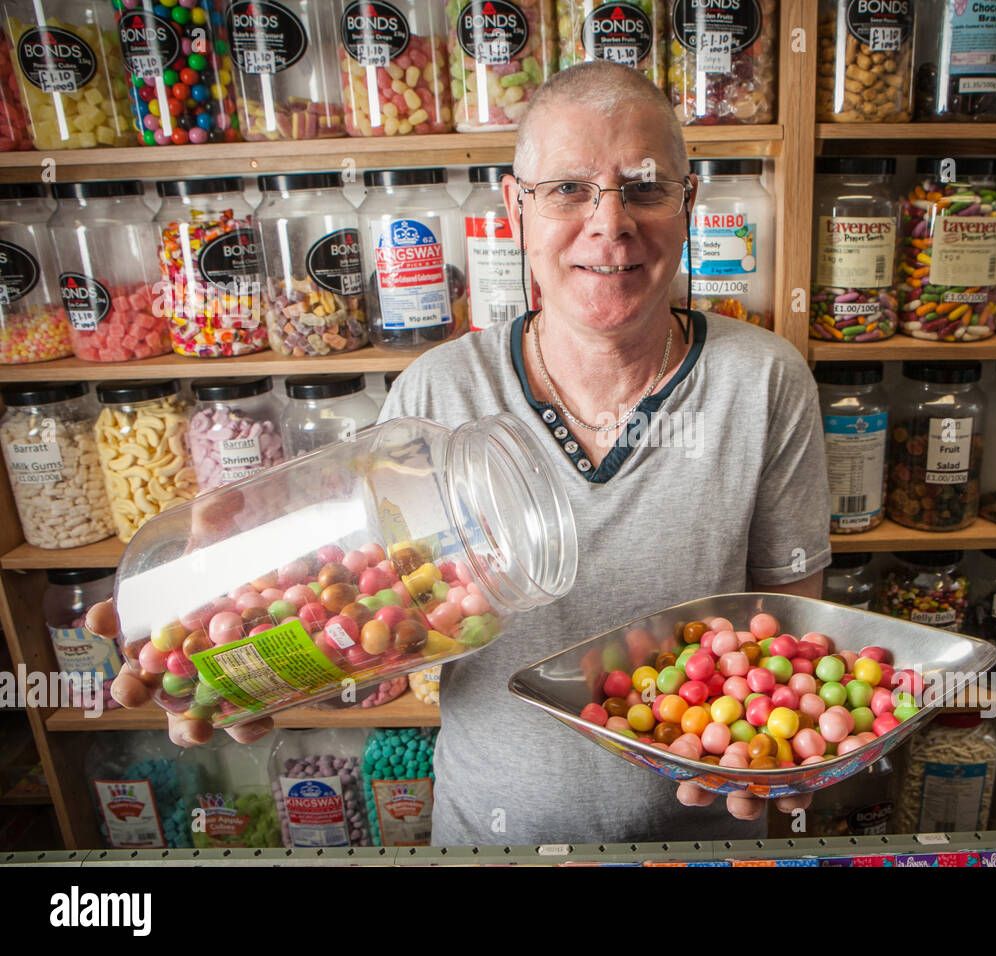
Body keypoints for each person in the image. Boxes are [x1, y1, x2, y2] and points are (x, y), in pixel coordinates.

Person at [97, 60, 832, 845]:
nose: (610, 225)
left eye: (645, 189)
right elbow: (367, 609)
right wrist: (236, 647)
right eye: (568, 189)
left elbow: (791, 634)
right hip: (489, 841)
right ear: (516, 207)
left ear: (688, 204)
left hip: (703, 844)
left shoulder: (763, 381)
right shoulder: (437, 398)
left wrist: (791, 761)